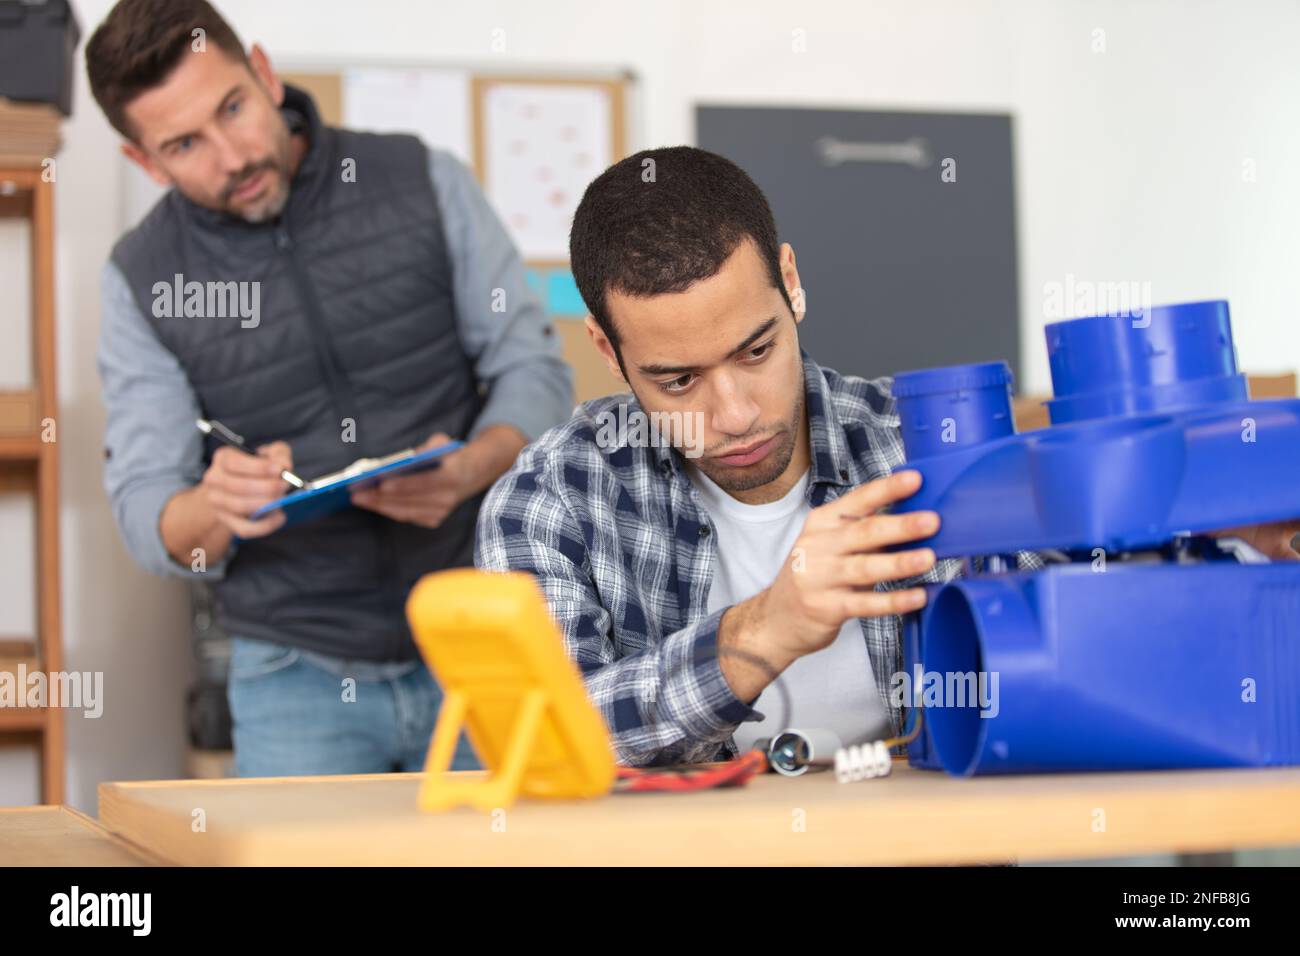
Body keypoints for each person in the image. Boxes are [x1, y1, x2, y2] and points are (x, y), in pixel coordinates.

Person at [475, 145, 1300, 766]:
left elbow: (1118, 613)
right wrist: (762, 631)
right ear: (607, 351)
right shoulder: (552, 499)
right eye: (679, 379)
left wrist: (1225, 538)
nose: (734, 414)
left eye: (757, 351)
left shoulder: (917, 446)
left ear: (791, 282)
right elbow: (537, 741)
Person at [87, 0, 572, 775]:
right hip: (293, 675)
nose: (232, 156)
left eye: (234, 108)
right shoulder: (139, 280)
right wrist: (214, 507)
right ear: (146, 163)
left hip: (483, 633)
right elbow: (149, 509)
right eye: (184, 144)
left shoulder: (421, 177)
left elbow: (534, 368)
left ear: (267, 75)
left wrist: (474, 467)